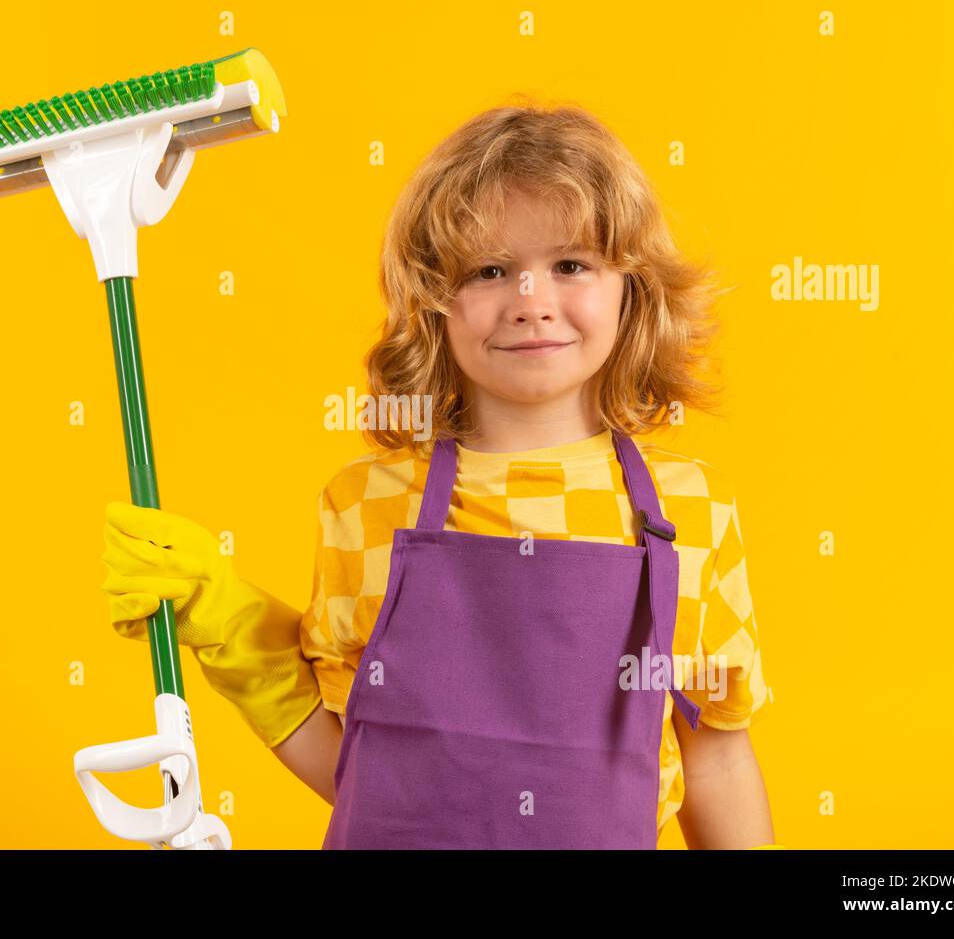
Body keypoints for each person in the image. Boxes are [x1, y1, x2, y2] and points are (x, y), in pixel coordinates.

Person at [100, 101, 778, 849]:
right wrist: (229, 626)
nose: (531, 303)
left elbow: (714, 758)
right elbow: (359, 770)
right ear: (433, 303)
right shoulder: (366, 506)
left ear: (633, 289)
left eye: (571, 265)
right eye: (490, 270)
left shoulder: (692, 510)